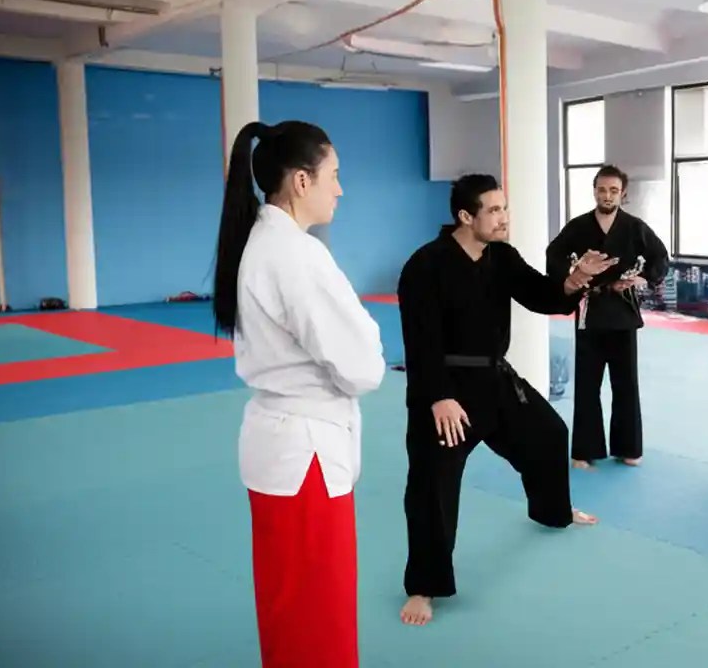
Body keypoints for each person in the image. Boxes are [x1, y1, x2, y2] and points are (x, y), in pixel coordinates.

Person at [397, 173, 616, 626]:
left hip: (494, 380)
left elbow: (541, 294)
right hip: (445, 392)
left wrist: (575, 279)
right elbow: (419, 341)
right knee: (432, 487)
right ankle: (424, 586)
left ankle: (553, 511)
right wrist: (438, 397)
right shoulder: (426, 265)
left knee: (550, 436)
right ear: (465, 216)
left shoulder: (501, 257)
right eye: (493, 210)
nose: (503, 217)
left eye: (504, 207)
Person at [213, 120, 386, 667]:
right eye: (334, 175)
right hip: (306, 456)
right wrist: (369, 345)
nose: (340, 188)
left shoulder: (263, 244)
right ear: (301, 181)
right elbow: (362, 367)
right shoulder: (295, 255)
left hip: (280, 447)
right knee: (318, 611)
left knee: (289, 605)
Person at [546, 165, 670, 469]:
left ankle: (628, 448)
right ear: (594, 191)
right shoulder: (578, 227)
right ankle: (584, 451)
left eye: (613, 190)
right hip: (589, 310)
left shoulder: (634, 227)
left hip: (623, 312)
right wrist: (575, 275)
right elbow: (553, 255)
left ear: (622, 193)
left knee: (625, 383)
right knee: (587, 384)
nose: (607, 195)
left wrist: (644, 278)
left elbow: (660, 257)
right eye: (602, 189)